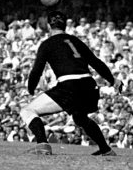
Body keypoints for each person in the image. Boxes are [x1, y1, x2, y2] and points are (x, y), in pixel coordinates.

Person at [19, 10, 121, 156]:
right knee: (79, 117)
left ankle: (42, 144)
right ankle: (105, 149)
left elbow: (37, 71)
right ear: (65, 25)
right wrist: (113, 80)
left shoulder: (47, 44)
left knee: (27, 111)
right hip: (89, 86)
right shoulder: (76, 41)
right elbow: (96, 62)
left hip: (69, 86)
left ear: (49, 26)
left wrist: (30, 88)